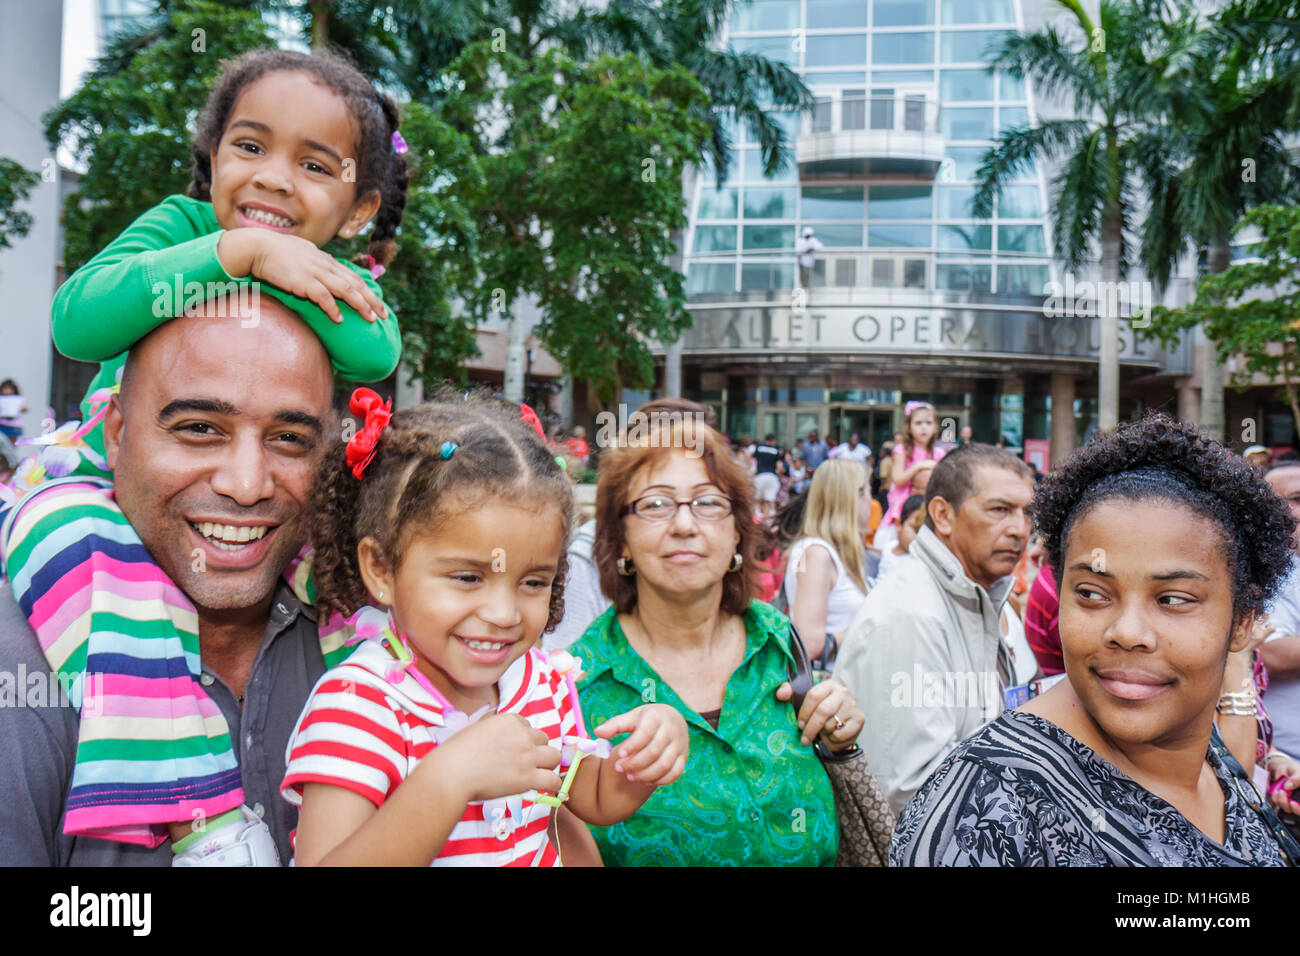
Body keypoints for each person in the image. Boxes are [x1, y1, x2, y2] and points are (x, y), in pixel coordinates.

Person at [0, 295, 391, 865]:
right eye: (200, 427)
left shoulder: (379, 641)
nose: (247, 483)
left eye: (289, 439)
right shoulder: (19, 677)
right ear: (115, 434)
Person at [279, 392, 687, 866]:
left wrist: (640, 763)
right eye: (468, 577)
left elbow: (588, 795)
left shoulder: (536, 682)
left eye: (533, 581)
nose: (503, 613)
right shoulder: (359, 707)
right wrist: (450, 778)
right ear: (382, 569)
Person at [891, 415, 1298, 866]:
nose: (1126, 632)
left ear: (1243, 620)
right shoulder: (988, 809)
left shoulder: (1207, 751)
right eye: (1091, 593)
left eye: (1174, 599)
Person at [49, 48, 401, 478]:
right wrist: (238, 255)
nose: (272, 178)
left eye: (314, 165)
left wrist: (267, 265)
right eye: (250, 146)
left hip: (249, 498)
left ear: (358, 212)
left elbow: (376, 352)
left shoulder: (331, 275)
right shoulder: (180, 227)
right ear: (215, 161)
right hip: (106, 484)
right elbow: (76, 322)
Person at [569, 415, 865, 865]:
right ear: (621, 540)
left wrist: (840, 735)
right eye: (655, 505)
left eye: (708, 503)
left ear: (736, 535)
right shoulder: (577, 681)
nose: (685, 525)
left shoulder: (780, 645)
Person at [836, 443, 1035, 813]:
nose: (1020, 530)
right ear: (942, 515)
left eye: (1027, 513)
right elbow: (912, 791)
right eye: (1000, 510)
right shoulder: (911, 613)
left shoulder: (975, 593)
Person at [783, 459, 872, 663]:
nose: (871, 501)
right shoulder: (817, 553)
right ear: (853, 498)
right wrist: (869, 626)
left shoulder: (831, 551)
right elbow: (809, 644)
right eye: (868, 492)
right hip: (830, 683)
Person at [880, 401, 944, 548]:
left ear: (935, 427)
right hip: (903, 502)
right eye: (918, 423)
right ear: (909, 427)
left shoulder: (939, 453)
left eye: (928, 423)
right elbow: (897, 479)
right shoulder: (901, 450)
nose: (924, 427)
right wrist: (918, 466)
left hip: (927, 501)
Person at [875, 493, 924, 582]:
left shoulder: (913, 561)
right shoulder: (889, 546)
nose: (917, 537)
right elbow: (882, 552)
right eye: (913, 528)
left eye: (921, 531)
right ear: (898, 524)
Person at [752, 433, 782, 518]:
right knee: (767, 501)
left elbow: (753, 462)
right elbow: (780, 467)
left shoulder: (758, 447)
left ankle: (756, 519)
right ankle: (765, 521)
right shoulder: (776, 450)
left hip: (760, 476)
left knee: (757, 499)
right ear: (773, 441)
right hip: (772, 476)